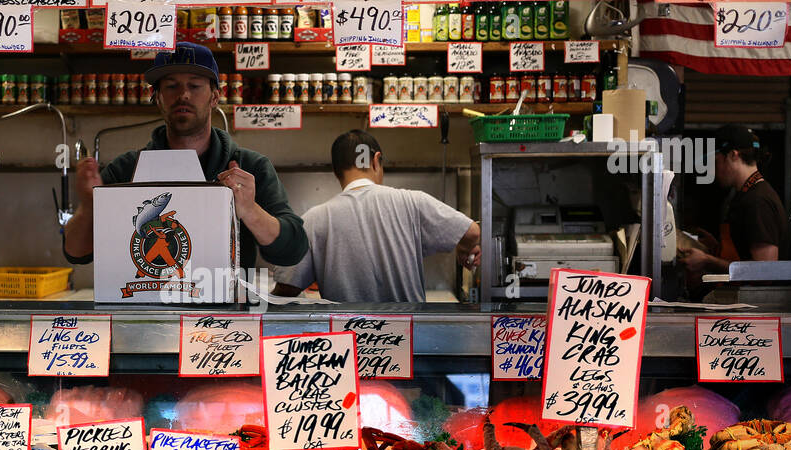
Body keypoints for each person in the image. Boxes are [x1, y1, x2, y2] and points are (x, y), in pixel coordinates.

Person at [62, 42, 306, 269]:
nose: (183, 95)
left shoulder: (250, 168)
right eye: (171, 86)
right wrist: (90, 205)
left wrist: (250, 210)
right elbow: (77, 253)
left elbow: (293, 251)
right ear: (157, 97)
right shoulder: (127, 169)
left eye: (195, 85)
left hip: (228, 314)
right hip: (148, 308)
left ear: (214, 97)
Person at [272, 129, 481, 303]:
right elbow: (472, 232)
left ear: (336, 172)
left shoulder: (313, 219)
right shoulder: (412, 202)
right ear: (376, 160)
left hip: (346, 347)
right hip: (410, 341)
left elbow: (285, 290)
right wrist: (463, 251)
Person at [678, 124, 786, 281]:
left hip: (757, 303)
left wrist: (708, 261)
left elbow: (765, 271)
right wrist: (717, 248)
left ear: (734, 155)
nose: (714, 170)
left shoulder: (758, 201)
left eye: (716, 161)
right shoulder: (745, 194)